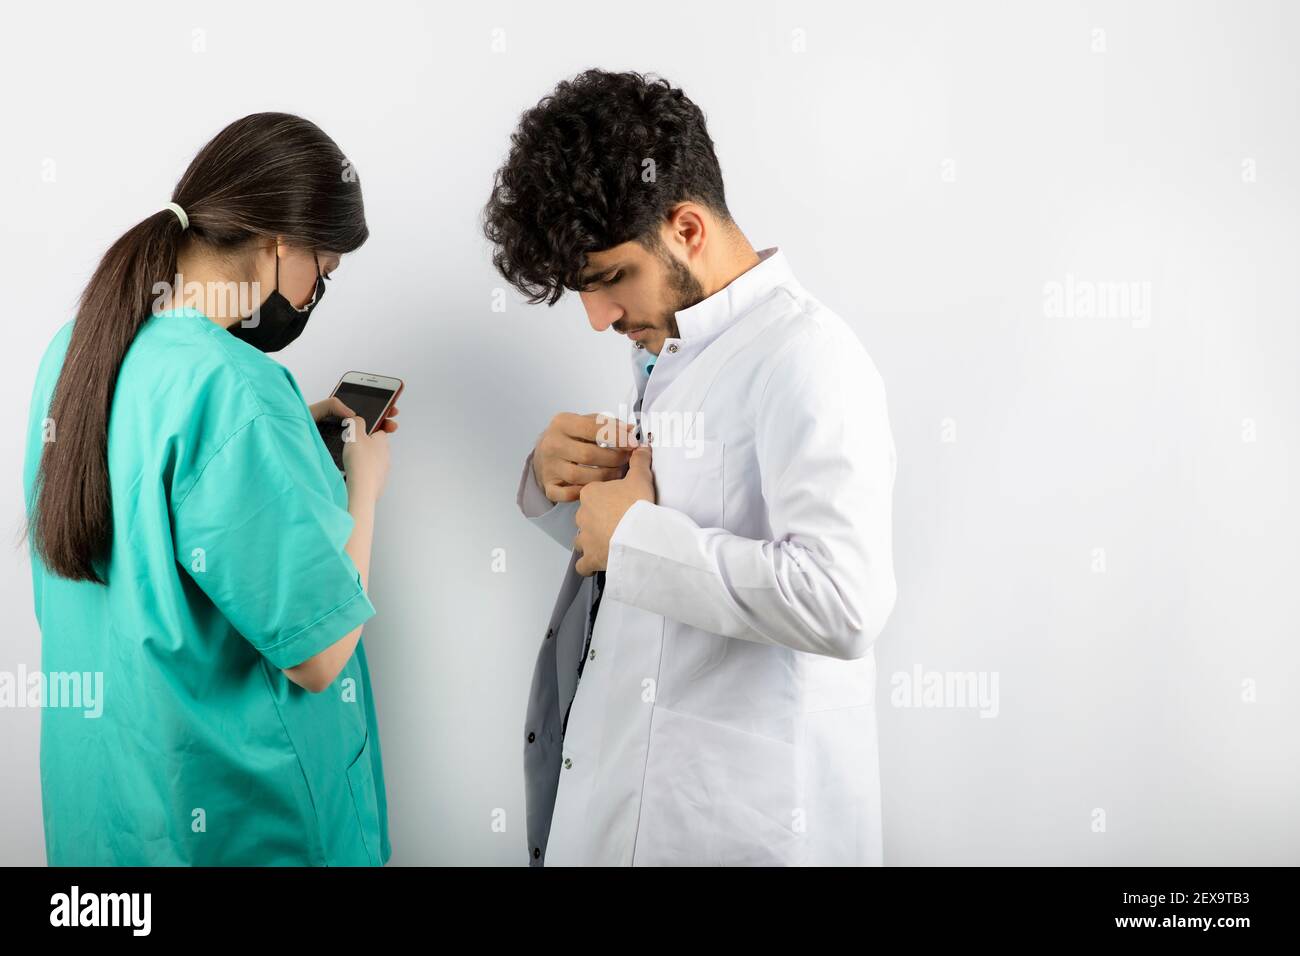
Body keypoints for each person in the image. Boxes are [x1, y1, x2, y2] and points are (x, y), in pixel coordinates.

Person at [485, 70, 898, 866]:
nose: (599, 318)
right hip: (625, 804)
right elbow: (660, 560)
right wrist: (556, 483)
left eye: (610, 280)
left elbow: (846, 601)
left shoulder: (808, 357)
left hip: (743, 827)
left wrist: (635, 538)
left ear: (686, 228)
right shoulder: (671, 350)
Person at [22, 112, 398, 865]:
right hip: (237, 831)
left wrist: (292, 430)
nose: (320, 287)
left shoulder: (79, 347)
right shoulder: (236, 390)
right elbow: (321, 654)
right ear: (280, 241)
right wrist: (366, 488)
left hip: (109, 826)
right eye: (323, 267)